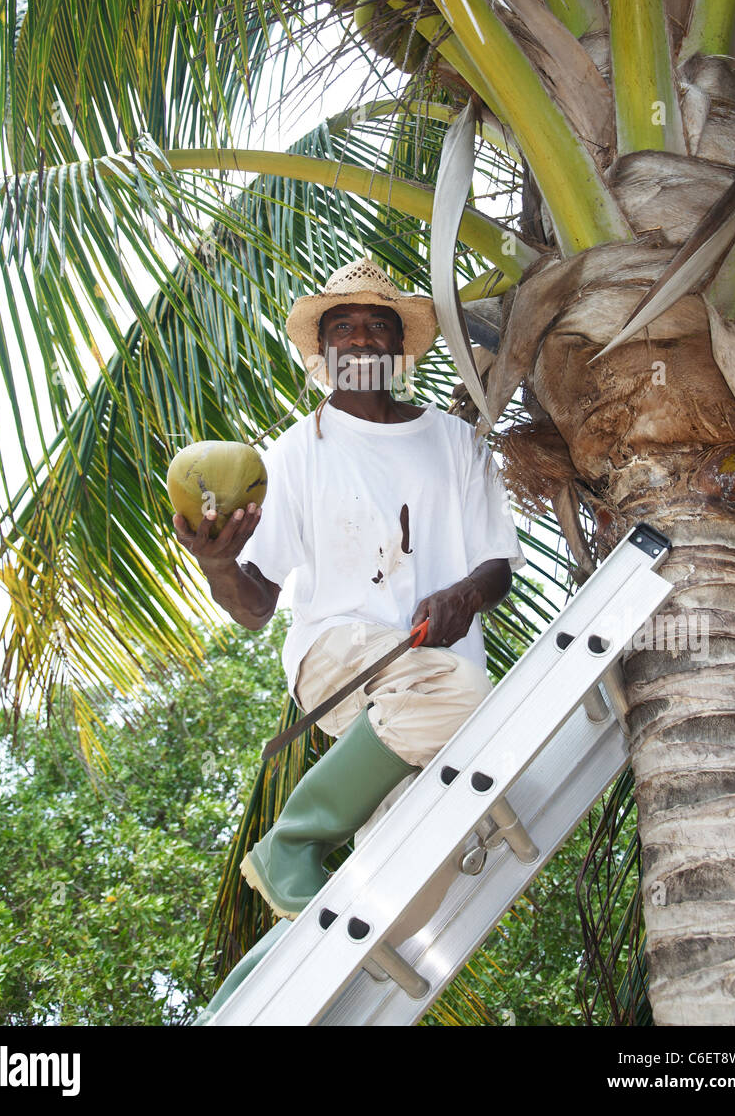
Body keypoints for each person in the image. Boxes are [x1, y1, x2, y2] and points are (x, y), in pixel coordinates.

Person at [175, 258, 526, 1019]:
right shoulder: (293, 454)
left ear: (399, 346)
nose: (361, 335)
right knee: (458, 690)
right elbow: (256, 605)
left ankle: (240, 1005)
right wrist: (218, 564)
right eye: (343, 325)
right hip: (339, 653)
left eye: (377, 323)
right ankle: (291, 840)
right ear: (324, 349)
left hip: (427, 673)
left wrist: (466, 591)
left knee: (401, 876)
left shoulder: (457, 443)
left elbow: (496, 561)